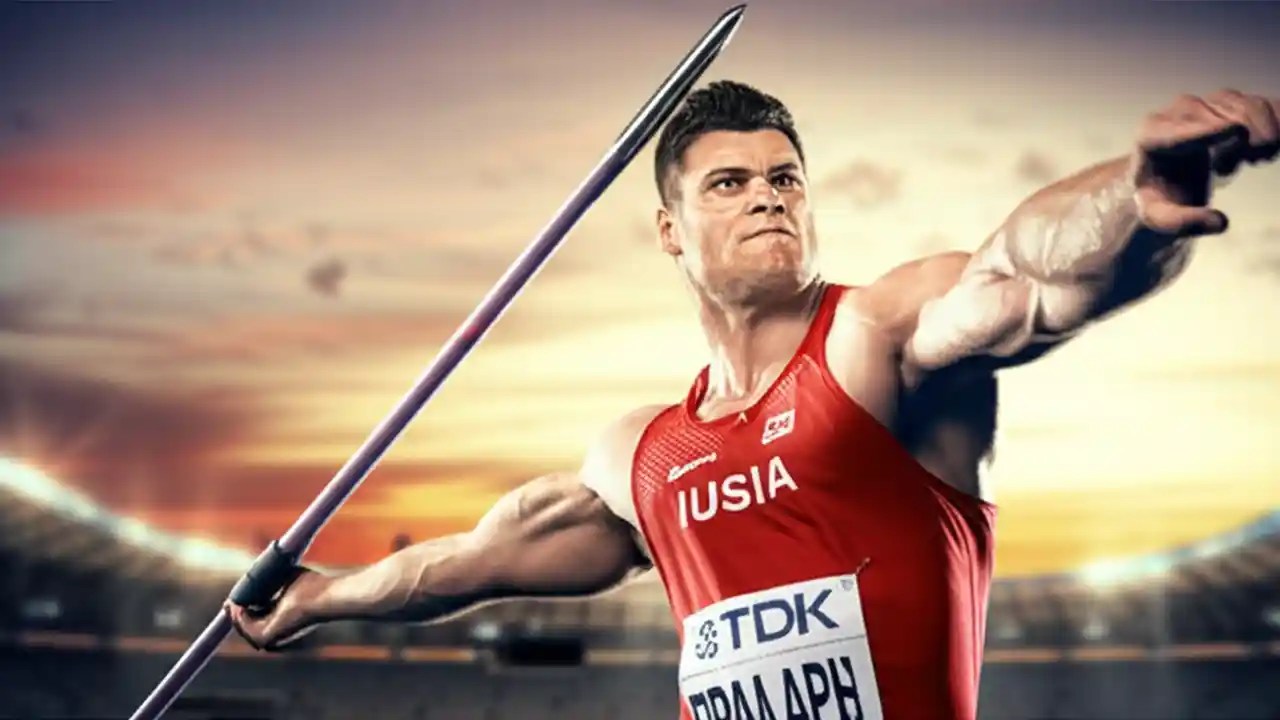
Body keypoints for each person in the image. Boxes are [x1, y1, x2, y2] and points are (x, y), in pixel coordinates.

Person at [227, 81, 1279, 719]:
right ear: (669, 231)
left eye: (784, 177)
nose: (768, 194)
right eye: (727, 183)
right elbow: (461, 562)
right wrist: (320, 599)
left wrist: (1131, 208)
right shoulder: (640, 454)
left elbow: (1024, 280)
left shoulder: (875, 340)